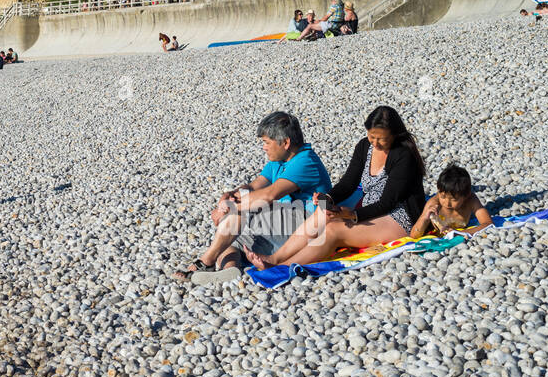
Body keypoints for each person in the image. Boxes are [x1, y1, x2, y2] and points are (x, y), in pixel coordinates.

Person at [246, 106, 428, 271]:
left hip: (398, 215)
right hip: (371, 206)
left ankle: (282, 267)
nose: (375, 143)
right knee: (323, 212)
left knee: (334, 230)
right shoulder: (365, 147)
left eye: (382, 139)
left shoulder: (403, 155)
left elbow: (388, 202)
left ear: (395, 134)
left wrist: (353, 215)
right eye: (372, 136)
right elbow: (348, 183)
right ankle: (275, 258)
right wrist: (328, 198)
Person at [175, 112, 332, 283]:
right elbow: (253, 187)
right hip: (286, 216)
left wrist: (230, 207)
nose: (263, 147)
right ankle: (230, 270)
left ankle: (206, 262)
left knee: (237, 217)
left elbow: (269, 194)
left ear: (285, 142)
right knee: (229, 237)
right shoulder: (279, 161)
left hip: (307, 223)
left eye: (266, 142)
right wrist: (230, 196)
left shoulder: (305, 161)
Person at [410, 165, 492, 238]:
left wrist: (459, 233)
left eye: (454, 200)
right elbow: (413, 235)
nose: (447, 203)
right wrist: (424, 217)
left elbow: (488, 223)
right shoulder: (434, 204)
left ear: (466, 196)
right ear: (438, 191)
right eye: (443, 197)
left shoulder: (471, 200)